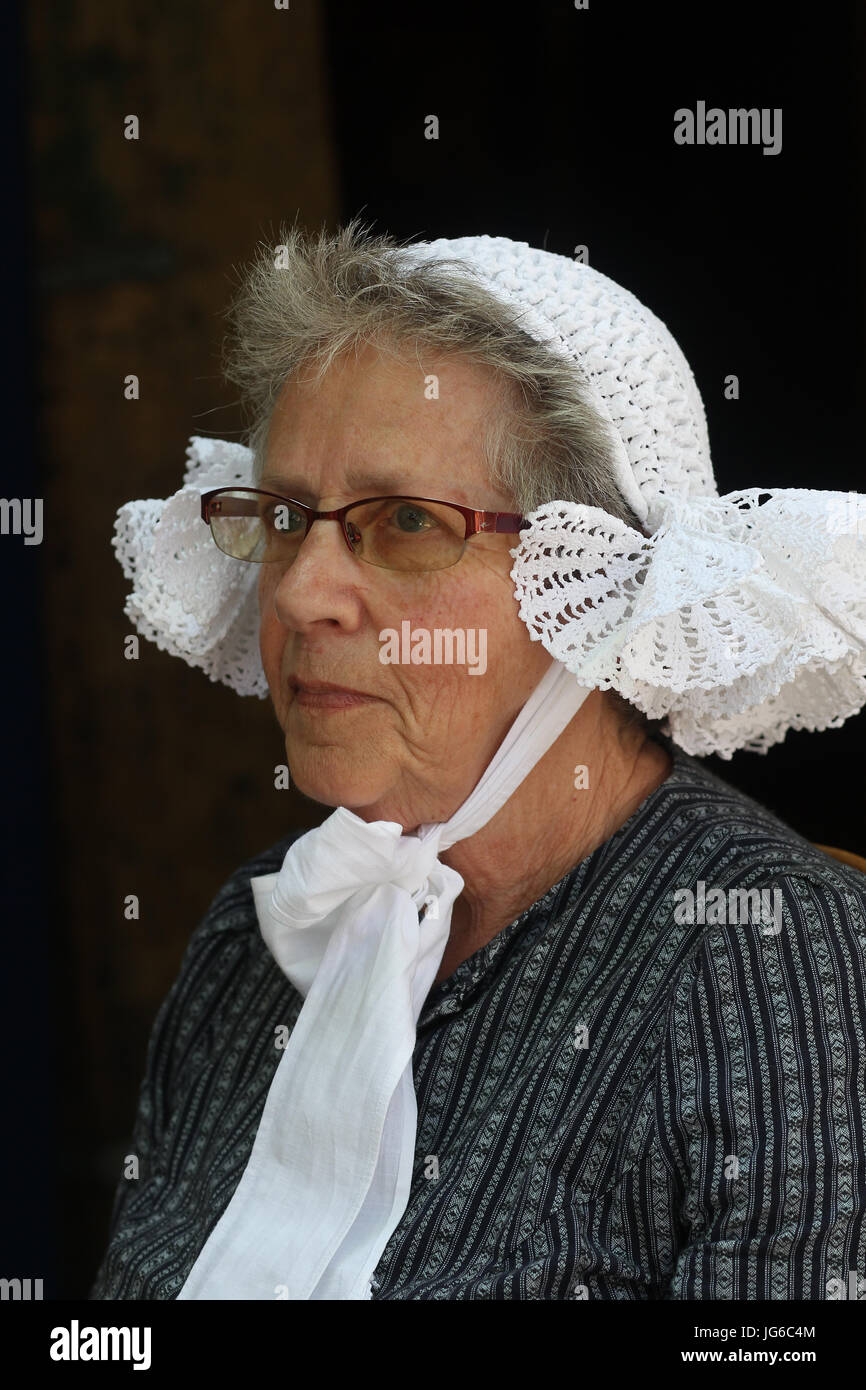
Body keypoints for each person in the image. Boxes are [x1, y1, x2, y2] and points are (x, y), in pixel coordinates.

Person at [92, 221, 866, 1300]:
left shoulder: (768, 952)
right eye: (283, 515)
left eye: (405, 519)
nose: (303, 592)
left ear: (591, 583)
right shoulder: (260, 934)